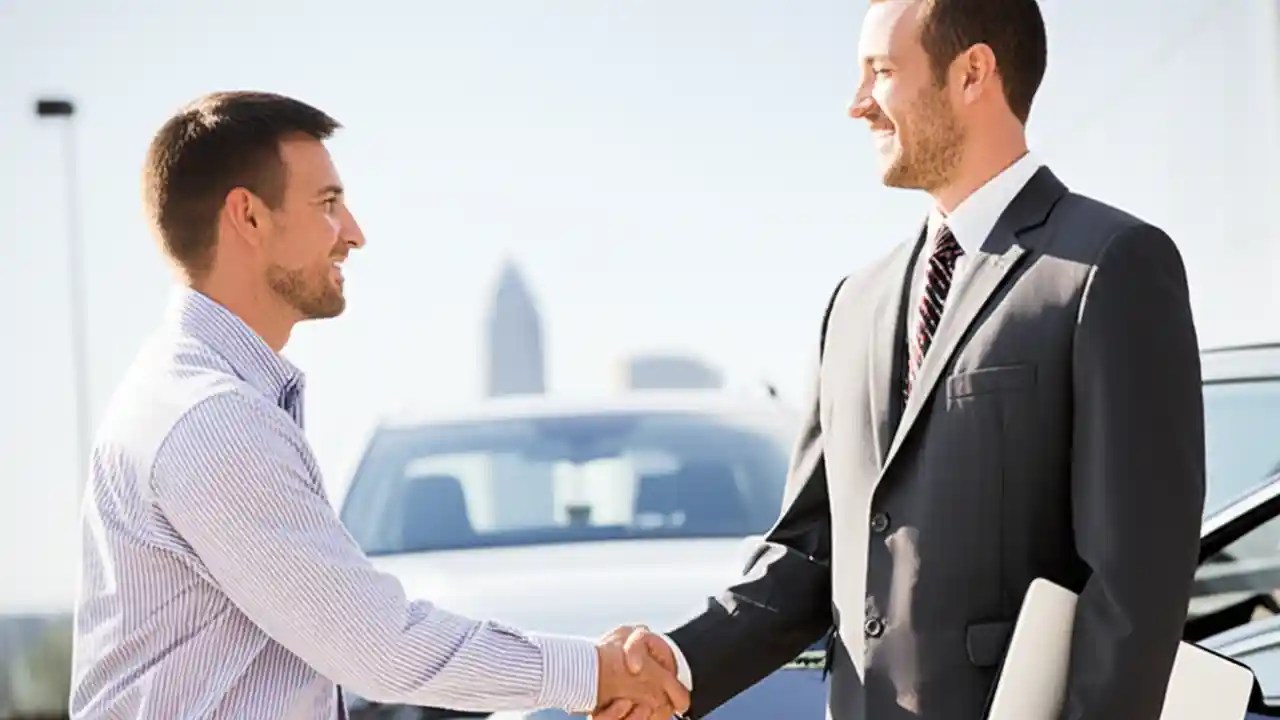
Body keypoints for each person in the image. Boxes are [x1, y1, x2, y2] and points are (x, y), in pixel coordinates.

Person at [597, 0, 1206, 718]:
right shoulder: (854, 303)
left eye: (881, 72)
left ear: (973, 73)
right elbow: (813, 551)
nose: (858, 104)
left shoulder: (1110, 266)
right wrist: (680, 661)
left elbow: (1137, 581)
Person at [68, 91, 688, 720]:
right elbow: (379, 646)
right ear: (249, 217)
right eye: (327, 204)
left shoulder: (182, 393)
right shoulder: (212, 420)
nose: (353, 234)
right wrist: (595, 673)